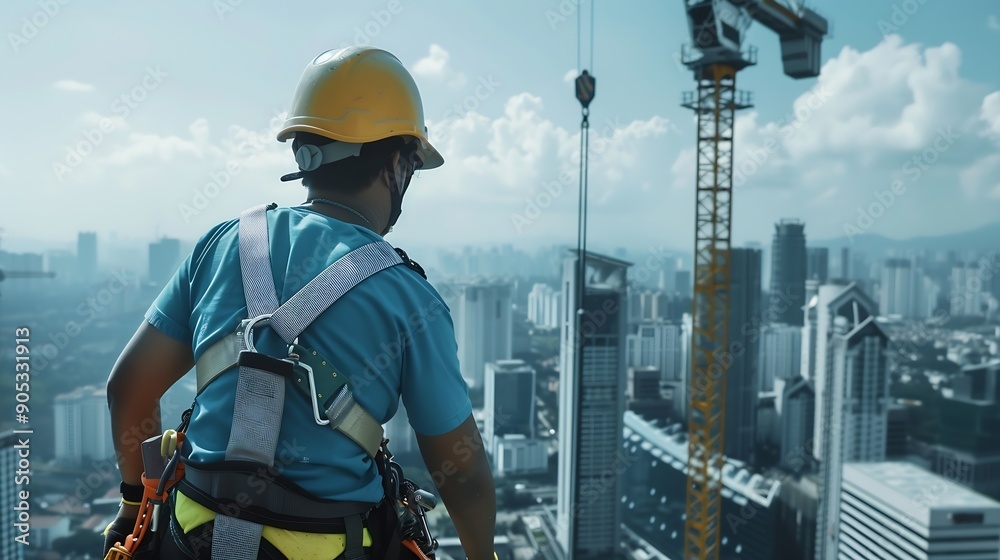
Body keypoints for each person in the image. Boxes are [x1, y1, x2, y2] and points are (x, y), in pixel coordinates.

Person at [104, 46, 496, 560]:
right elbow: (461, 470)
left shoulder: (224, 244)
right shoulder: (409, 297)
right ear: (397, 163)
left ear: (304, 153)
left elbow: (128, 389)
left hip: (189, 535)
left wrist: (136, 505)